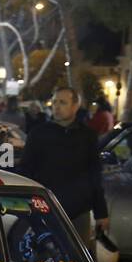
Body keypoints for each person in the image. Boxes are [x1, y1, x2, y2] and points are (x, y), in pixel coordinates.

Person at [20, 87, 107, 242]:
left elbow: (95, 175)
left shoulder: (87, 136)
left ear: (75, 106)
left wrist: (101, 213)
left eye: (62, 102)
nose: (57, 107)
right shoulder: (39, 134)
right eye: (54, 102)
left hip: (78, 212)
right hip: (46, 210)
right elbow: (26, 170)